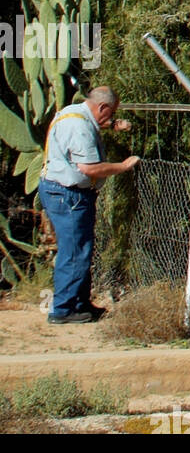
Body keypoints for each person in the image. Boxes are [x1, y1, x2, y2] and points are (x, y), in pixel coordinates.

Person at [38, 86, 138, 325]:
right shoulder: (80, 126)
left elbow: (94, 125)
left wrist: (112, 126)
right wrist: (123, 166)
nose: (110, 117)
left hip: (60, 190)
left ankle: (80, 304)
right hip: (68, 195)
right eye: (110, 113)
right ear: (102, 107)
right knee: (74, 252)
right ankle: (63, 310)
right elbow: (89, 168)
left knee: (79, 248)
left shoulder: (73, 112)